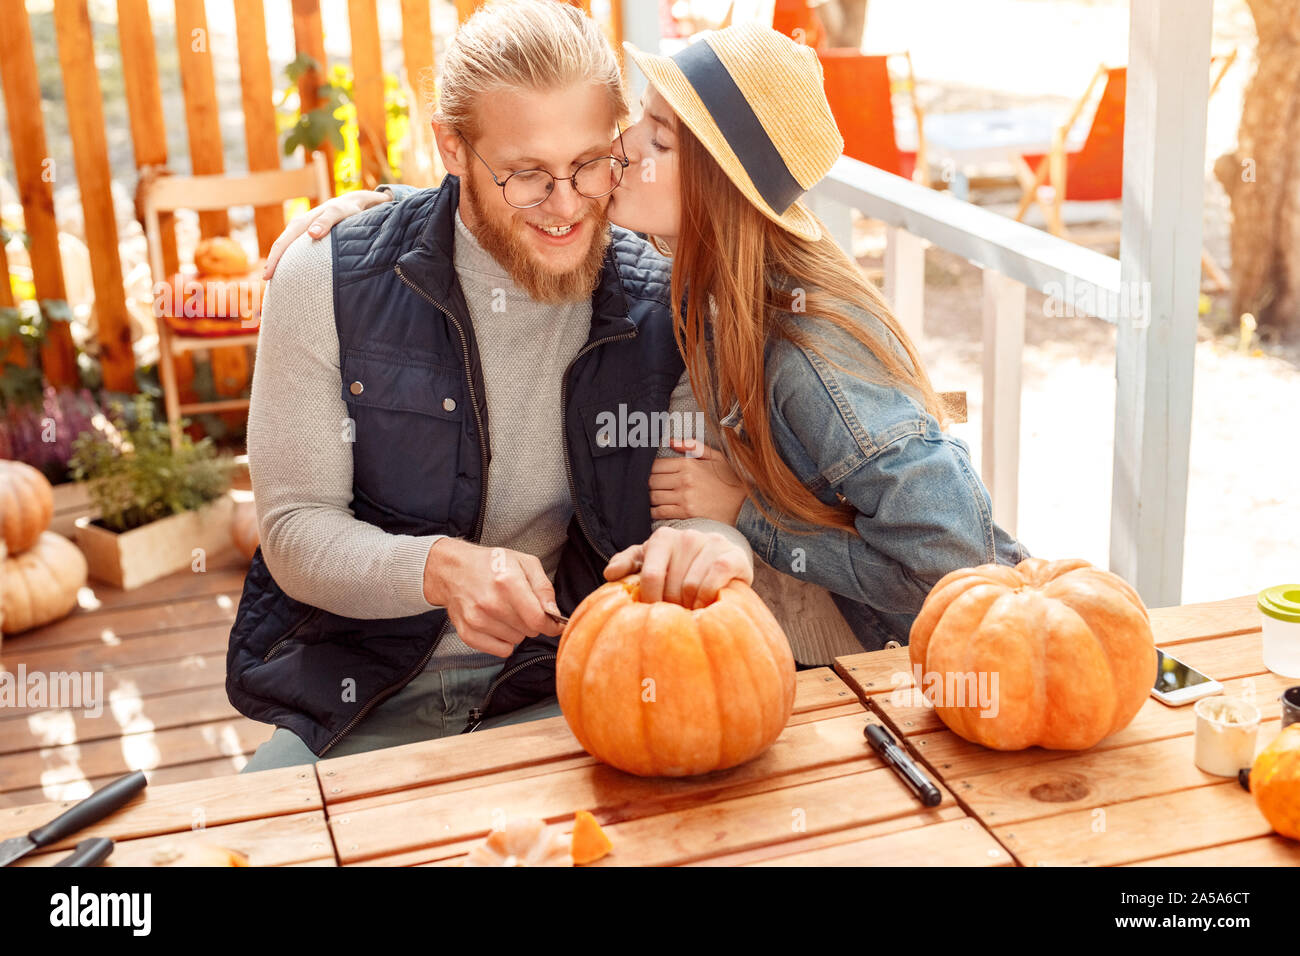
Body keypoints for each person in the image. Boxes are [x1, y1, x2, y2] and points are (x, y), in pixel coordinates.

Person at [269, 24, 1031, 659]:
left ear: (713, 188)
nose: (622, 152)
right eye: (640, 123)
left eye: (648, 143)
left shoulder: (771, 336)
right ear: (456, 153)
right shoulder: (703, 295)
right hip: (363, 680)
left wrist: (744, 523)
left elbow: (954, 558)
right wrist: (387, 219)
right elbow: (484, 220)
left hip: (897, 663)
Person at [230, 0, 756, 774]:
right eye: (525, 175)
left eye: (588, 162)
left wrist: (709, 553)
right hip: (357, 696)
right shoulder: (326, 279)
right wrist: (439, 569)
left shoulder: (666, 306)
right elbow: (294, 531)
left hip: (572, 679)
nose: (568, 203)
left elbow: (696, 513)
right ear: (450, 145)